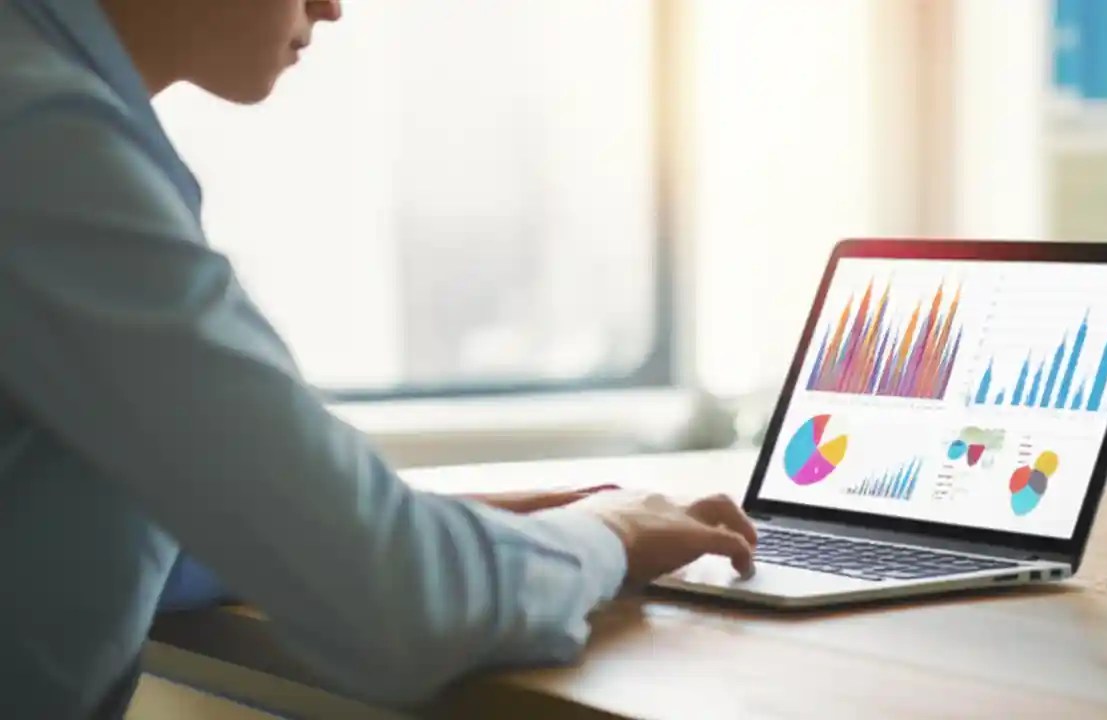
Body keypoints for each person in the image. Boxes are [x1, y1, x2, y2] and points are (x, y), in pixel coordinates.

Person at [0, 1, 758, 716]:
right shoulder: (44, 144)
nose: (332, 6)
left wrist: (434, 525)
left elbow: (84, 535)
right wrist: (609, 537)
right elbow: (400, 607)